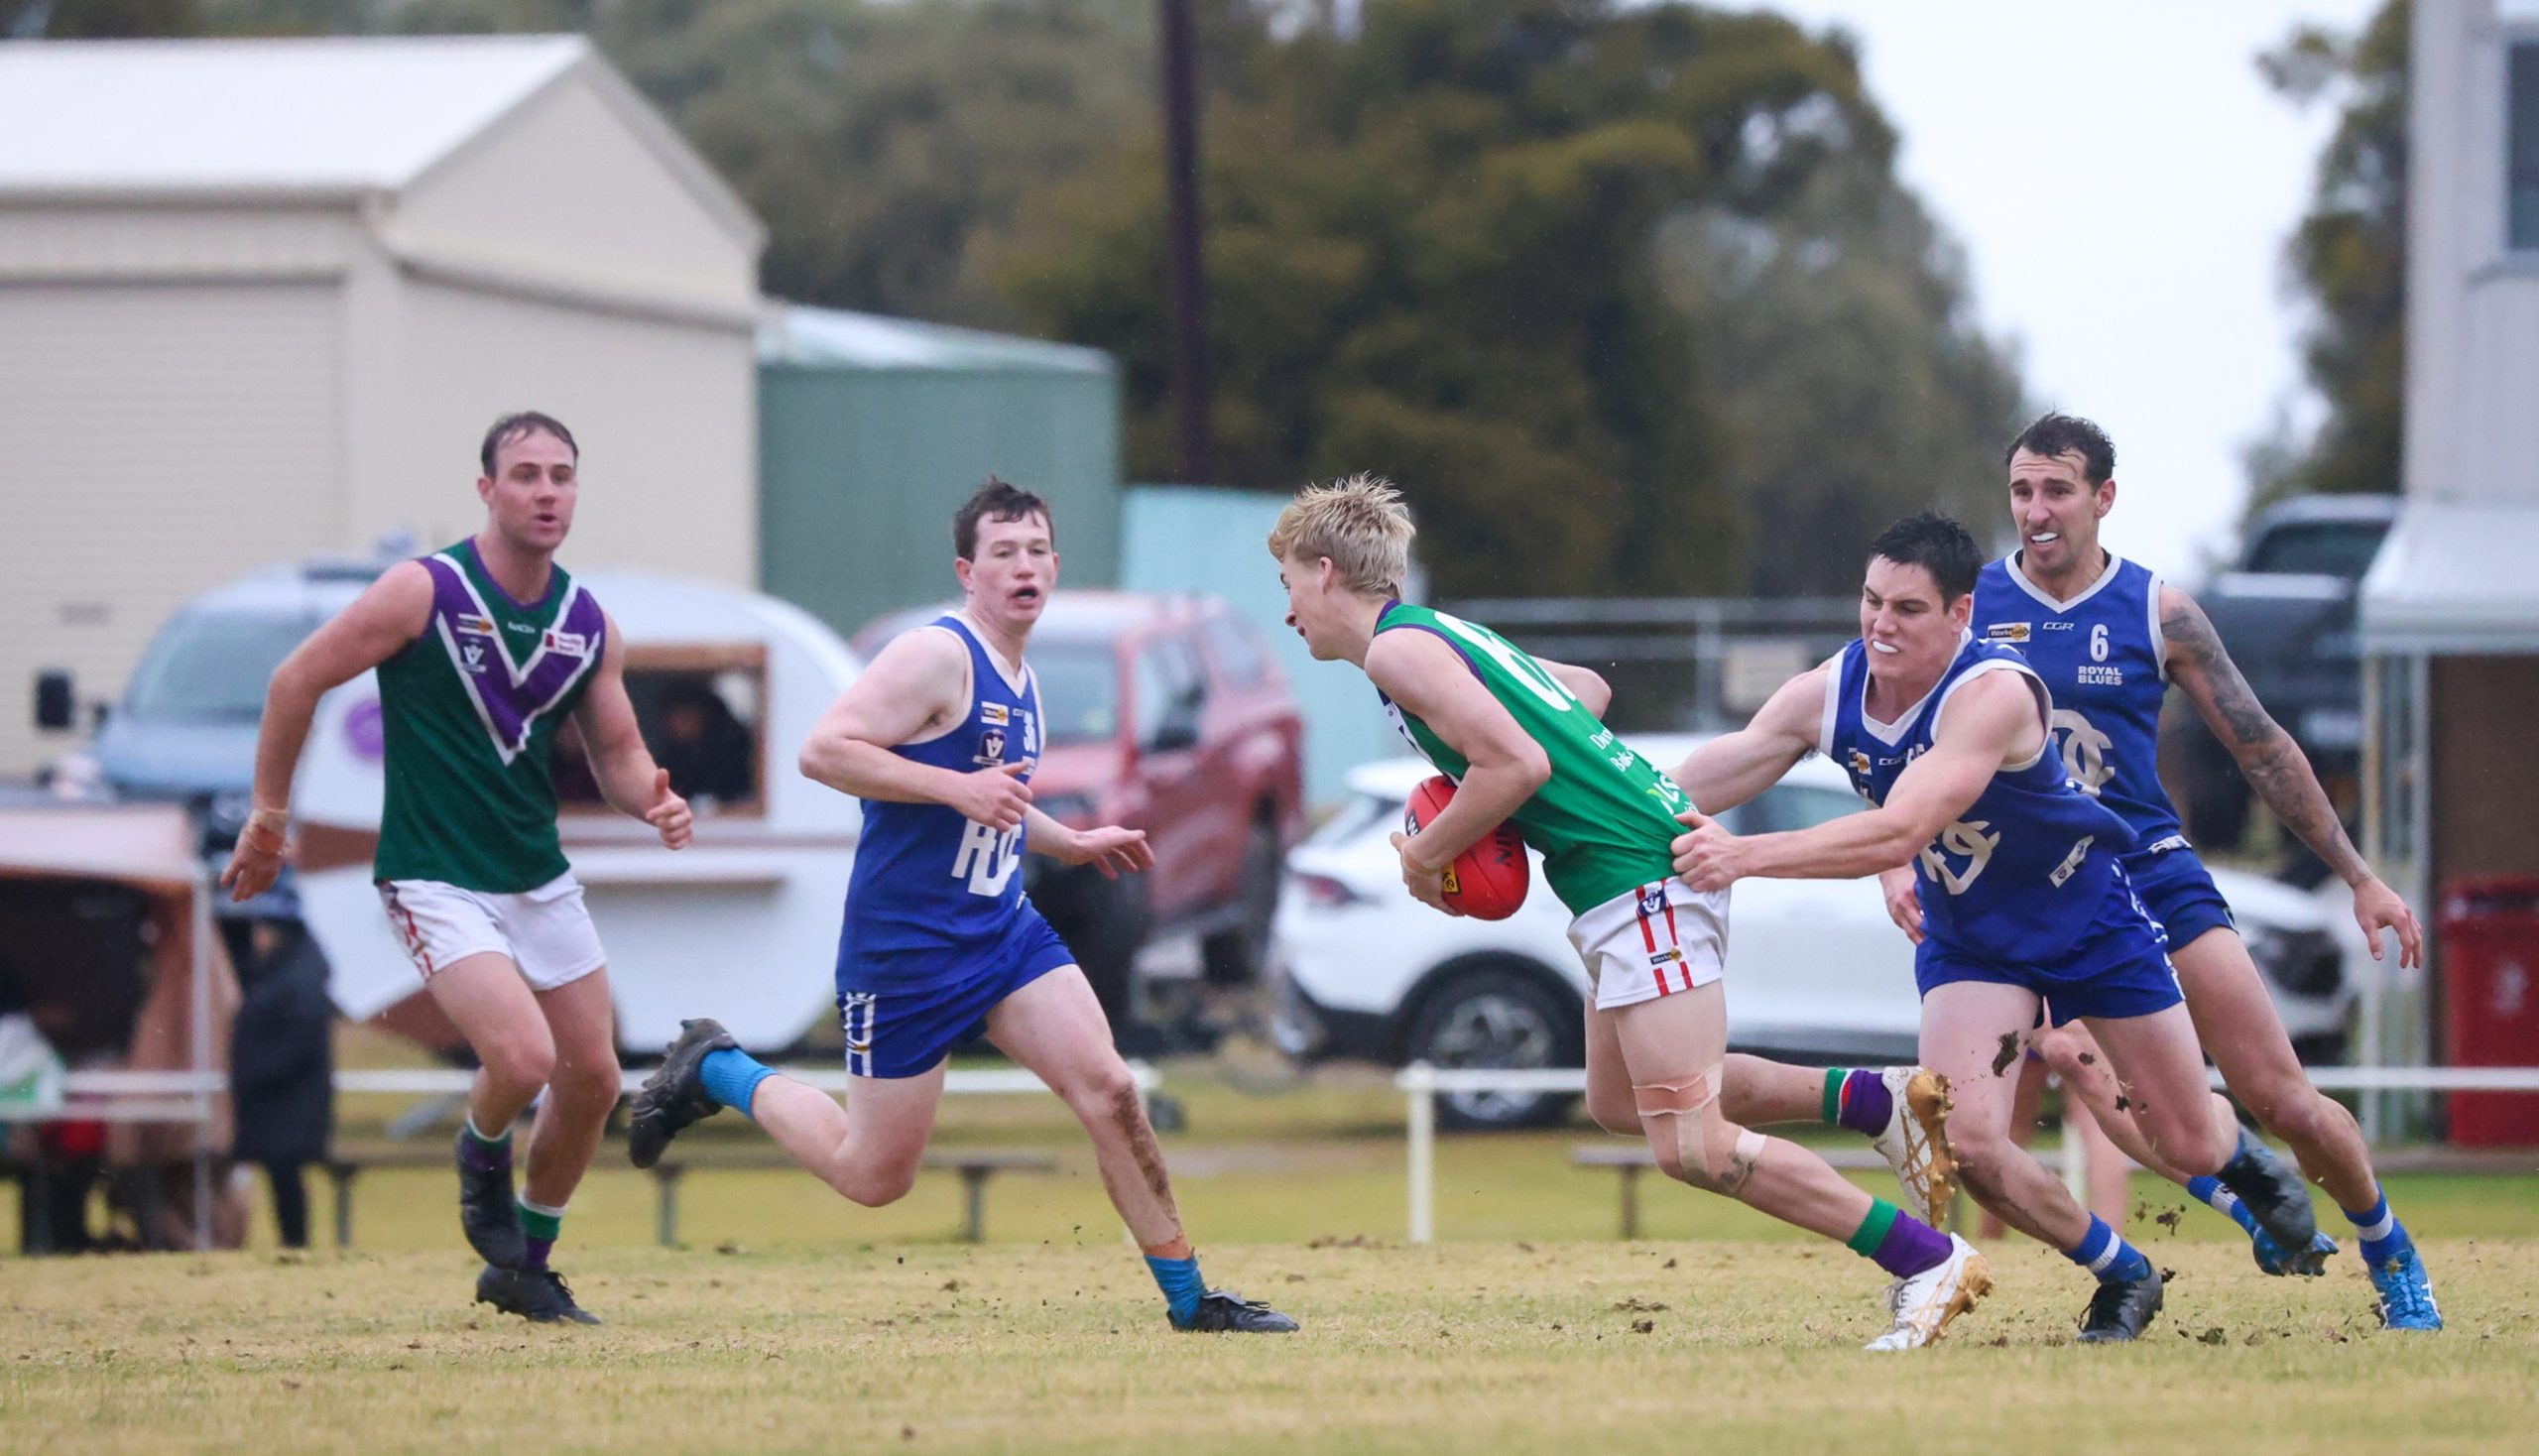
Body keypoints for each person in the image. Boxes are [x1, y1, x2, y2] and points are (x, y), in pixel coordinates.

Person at [1270, 476, 1986, 1351]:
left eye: (1288, 584)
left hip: (1640, 876)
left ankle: (1925, 1259)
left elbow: (1518, 765)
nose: (1289, 609)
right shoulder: (1437, 634)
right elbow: (1583, 696)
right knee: (1618, 1102)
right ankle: (1875, 1100)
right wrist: (1504, 783)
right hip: (1617, 880)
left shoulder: (1395, 652)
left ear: (1327, 570)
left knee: (1695, 1145)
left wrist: (1425, 853)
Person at [626, 479, 1296, 1336]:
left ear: (1055, 565)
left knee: (1112, 1090)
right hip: (906, 952)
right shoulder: (936, 655)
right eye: (1002, 553)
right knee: (874, 1177)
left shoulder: (1025, 674)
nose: (1023, 566)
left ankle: (1191, 1299)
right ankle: (714, 1067)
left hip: (1001, 933)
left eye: (1036, 550)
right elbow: (822, 750)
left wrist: (1070, 842)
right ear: (967, 572)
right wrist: (953, 786)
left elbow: (999, 802)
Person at [1669, 512, 2277, 1343]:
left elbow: (1898, 832)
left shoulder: (1991, 692)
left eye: (1907, 609)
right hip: (1975, 940)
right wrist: (1588, 800)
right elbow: (1714, 770)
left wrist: (1743, 856)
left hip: (2087, 919)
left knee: (2191, 1144)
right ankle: (2122, 1272)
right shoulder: (1832, 688)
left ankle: (2236, 1148)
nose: (1880, 623)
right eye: (1872, 600)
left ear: (1961, 614)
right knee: (1970, 1142)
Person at [1950, 411, 2437, 1327]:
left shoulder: (2156, 611)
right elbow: (1893, 734)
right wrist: (1900, 860)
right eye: (2022, 491)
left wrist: (2359, 874)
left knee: (2282, 1098)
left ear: (2104, 498)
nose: (2037, 510)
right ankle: (2220, 1208)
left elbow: (2262, 748)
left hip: (2153, 870)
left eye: (2057, 490)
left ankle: (2389, 1248)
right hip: (2038, 889)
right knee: (2092, 1075)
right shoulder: (1971, 608)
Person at [224, 411, 693, 1323]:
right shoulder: (421, 592)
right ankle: (481, 1153)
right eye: (526, 475)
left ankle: (526, 1266)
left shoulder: (588, 623)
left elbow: (621, 754)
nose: (547, 491)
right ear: (487, 490)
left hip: (535, 874)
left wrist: (655, 802)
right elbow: (295, 681)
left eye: (561, 475)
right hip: (433, 870)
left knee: (593, 1077)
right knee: (520, 1057)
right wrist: (271, 817)